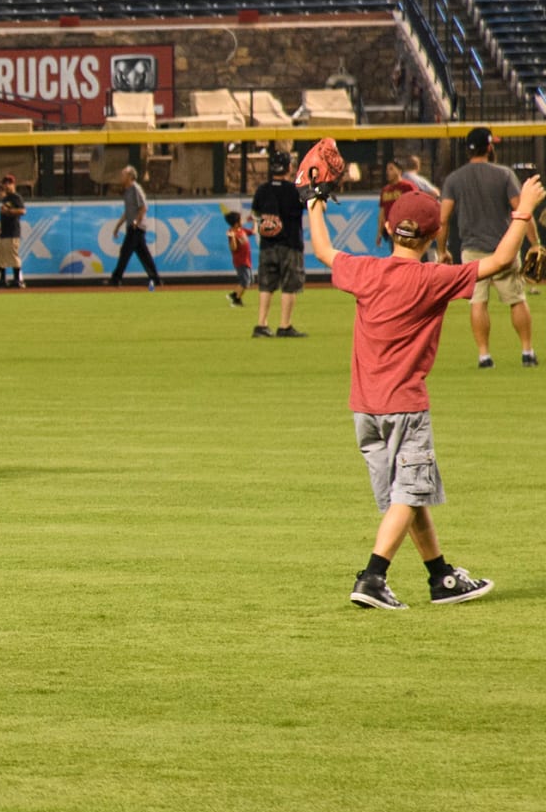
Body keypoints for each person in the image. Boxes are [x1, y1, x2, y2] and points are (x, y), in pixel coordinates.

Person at [312, 181, 541, 609]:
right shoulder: (432, 278)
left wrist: (314, 204)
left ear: (387, 226)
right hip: (405, 405)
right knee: (409, 492)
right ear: (435, 235)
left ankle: (441, 577)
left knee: (408, 495)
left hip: (364, 407)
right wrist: (523, 210)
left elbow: (325, 251)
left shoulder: (365, 271)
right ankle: (373, 577)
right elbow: (501, 259)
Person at [441, 127, 535, 368]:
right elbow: (522, 211)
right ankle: (527, 352)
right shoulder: (503, 174)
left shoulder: (454, 178)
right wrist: (535, 244)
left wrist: (442, 250)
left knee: (478, 302)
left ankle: (484, 355)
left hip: (472, 251)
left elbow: (443, 219)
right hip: (504, 249)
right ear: (490, 147)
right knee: (516, 298)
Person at [252, 150, 306, 338]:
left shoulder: (263, 189)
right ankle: (284, 325)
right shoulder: (295, 190)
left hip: (267, 245)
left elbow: (256, 213)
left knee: (266, 286)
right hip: (290, 244)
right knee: (289, 286)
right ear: (289, 168)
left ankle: (261, 324)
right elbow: (313, 206)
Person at [107, 165, 159, 290]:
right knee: (143, 254)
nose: (121, 177)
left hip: (137, 227)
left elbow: (144, 207)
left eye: (123, 174)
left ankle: (116, 278)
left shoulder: (136, 189)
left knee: (125, 252)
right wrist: (118, 226)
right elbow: (128, 212)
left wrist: (136, 221)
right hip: (132, 226)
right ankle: (155, 279)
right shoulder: (127, 190)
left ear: (130, 176)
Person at [0, 175, 26, 288]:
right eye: (5, 183)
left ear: (13, 184)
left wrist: (9, 211)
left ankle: (18, 280)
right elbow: (4, 216)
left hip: (12, 231)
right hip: (4, 231)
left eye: (9, 183)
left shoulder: (15, 197)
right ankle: (2, 280)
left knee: (12, 256)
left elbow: (22, 211)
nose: (6, 185)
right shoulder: (6, 198)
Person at [224, 210, 254, 308]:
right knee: (246, 282)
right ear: (237, 222)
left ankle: (234, 295)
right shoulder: (233, 233)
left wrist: (255, 222)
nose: (242, 221)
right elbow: (233, 248)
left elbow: (253, 231)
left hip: (246, 259)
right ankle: (236, 300)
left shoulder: (242, 230)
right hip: (241, 261)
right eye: (240, 220)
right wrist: (232, 238)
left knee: (247, 281)